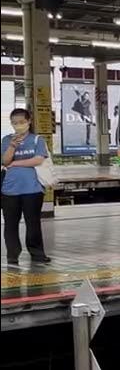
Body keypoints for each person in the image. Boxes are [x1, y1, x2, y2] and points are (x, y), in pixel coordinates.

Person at [1, 109, 52, 264]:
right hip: (10, 189)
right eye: (14, 123)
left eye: (21, 122)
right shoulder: (6, 140)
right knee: (10, 224)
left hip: (33, 188)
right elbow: (5, 161)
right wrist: (12, 147)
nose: (18, 125)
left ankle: (37, 254)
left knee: (33, 223)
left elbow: (38, 160)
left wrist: (15, 163)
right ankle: (12, 255)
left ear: (29, 121)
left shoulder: (37, 140)